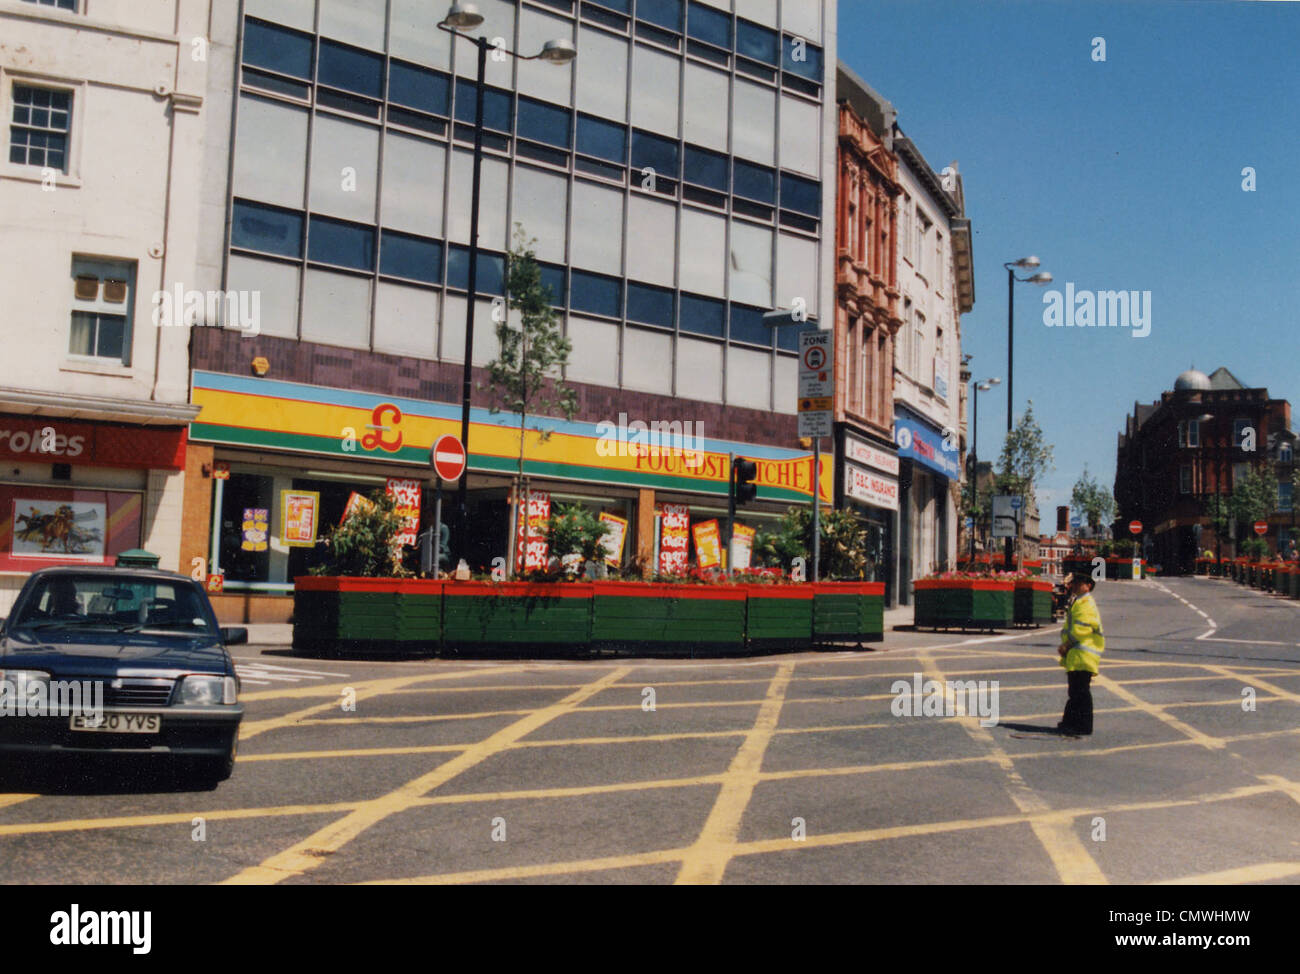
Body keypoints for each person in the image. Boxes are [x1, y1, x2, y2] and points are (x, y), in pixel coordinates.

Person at [1057, 570, 1104, 736]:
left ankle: (1082, 726)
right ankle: (1070, 723)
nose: (1074, 586)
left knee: (1080, 692)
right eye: (1074, 583)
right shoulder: (1079, 602)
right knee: (1076, 691)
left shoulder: (1086, 604)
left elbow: (1081, 629)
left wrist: (1066, 645)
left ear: (1088, 586)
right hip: (1078, 654)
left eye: (1078, 583)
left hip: (1083, 654)